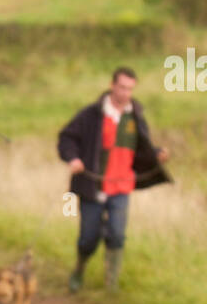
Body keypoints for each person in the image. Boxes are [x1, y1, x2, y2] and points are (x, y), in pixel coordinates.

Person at [58, 66, 170, 292]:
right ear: (112, 86)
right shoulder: (91, 114)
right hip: (93, 186)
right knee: (88, 238)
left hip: (122, 186)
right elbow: (66, 138)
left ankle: (111, 284)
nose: (126, 93)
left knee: (117, 235)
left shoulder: (135, 117)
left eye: (130, 89)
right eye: (122, 87)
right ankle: (79, 269)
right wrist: (73, 159)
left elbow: (142, 146)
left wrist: (157, 154)